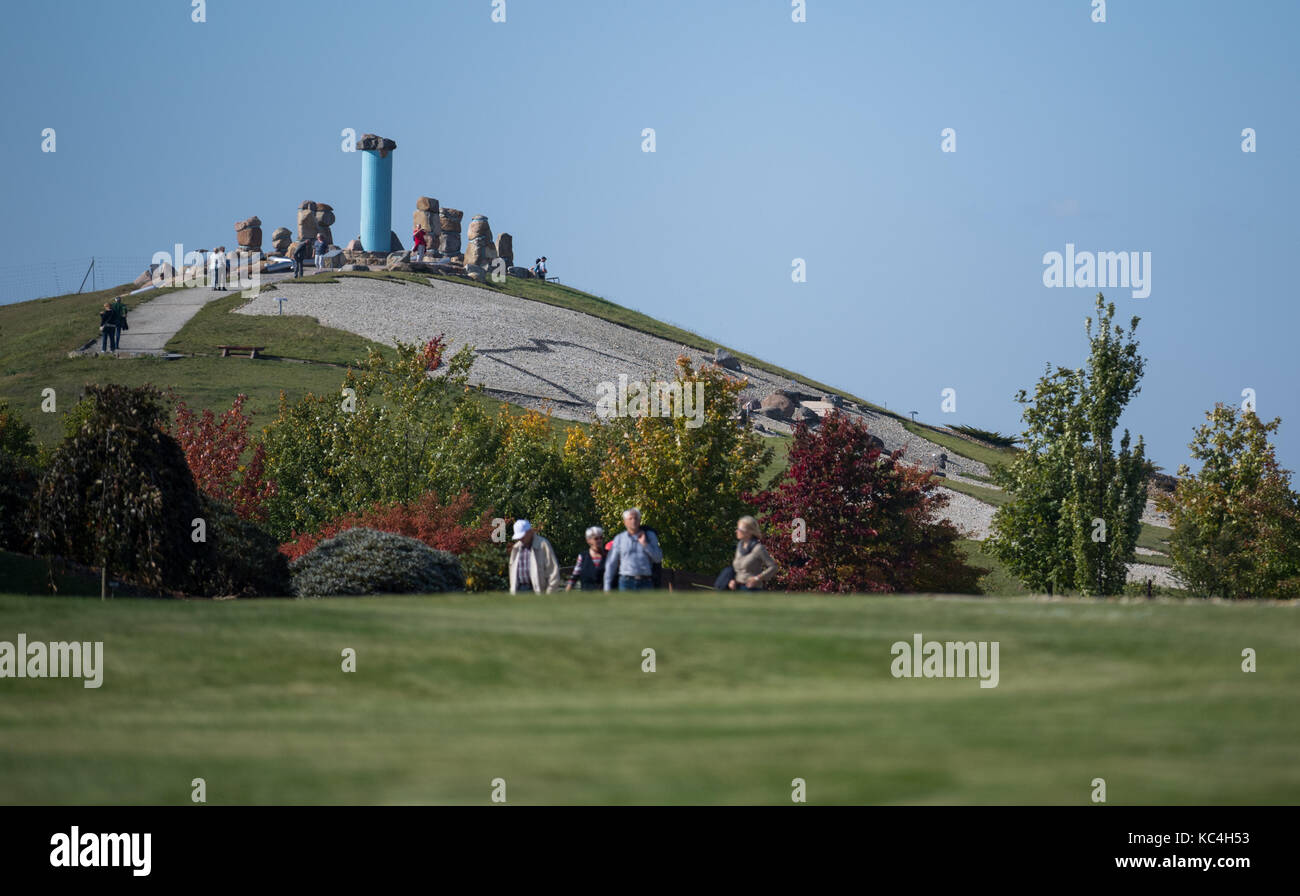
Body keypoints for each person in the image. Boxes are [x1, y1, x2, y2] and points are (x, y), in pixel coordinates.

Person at [604, 508, 662, 592]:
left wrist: (645, 544)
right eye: (630, 518)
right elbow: (611, 564)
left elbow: (658, 558)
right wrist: (607, 586)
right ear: (625, 522)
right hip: (626, 582)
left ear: (639, 520)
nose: (633, 521)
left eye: (636, 518)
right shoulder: (619, 539)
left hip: (645, 582)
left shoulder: (650, 536)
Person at [714, 516, 778, 591]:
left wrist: (757, 578)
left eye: (739, 529)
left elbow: (773, 567)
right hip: (737, 588)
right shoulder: (739, 546)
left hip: (751, 590)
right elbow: (737, 568)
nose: (736, 531)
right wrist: (731, 580)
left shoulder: (758, 548)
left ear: (749, 531)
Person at [508, 519, 562, 594]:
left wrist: (550, 592)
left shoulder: (543, 544)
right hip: (519, 589)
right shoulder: (516, 548)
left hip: (536, 590)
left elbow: (553, 571)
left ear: (530, 532)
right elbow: (512, 572)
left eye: (522, 536)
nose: (520, 539)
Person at [566, 526, 607, 591]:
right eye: (596, 538)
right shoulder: (583, 557)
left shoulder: (609, 555)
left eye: (601, 538)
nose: (599, 540)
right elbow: (574, 577)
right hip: (587, 596)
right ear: (588, 540)